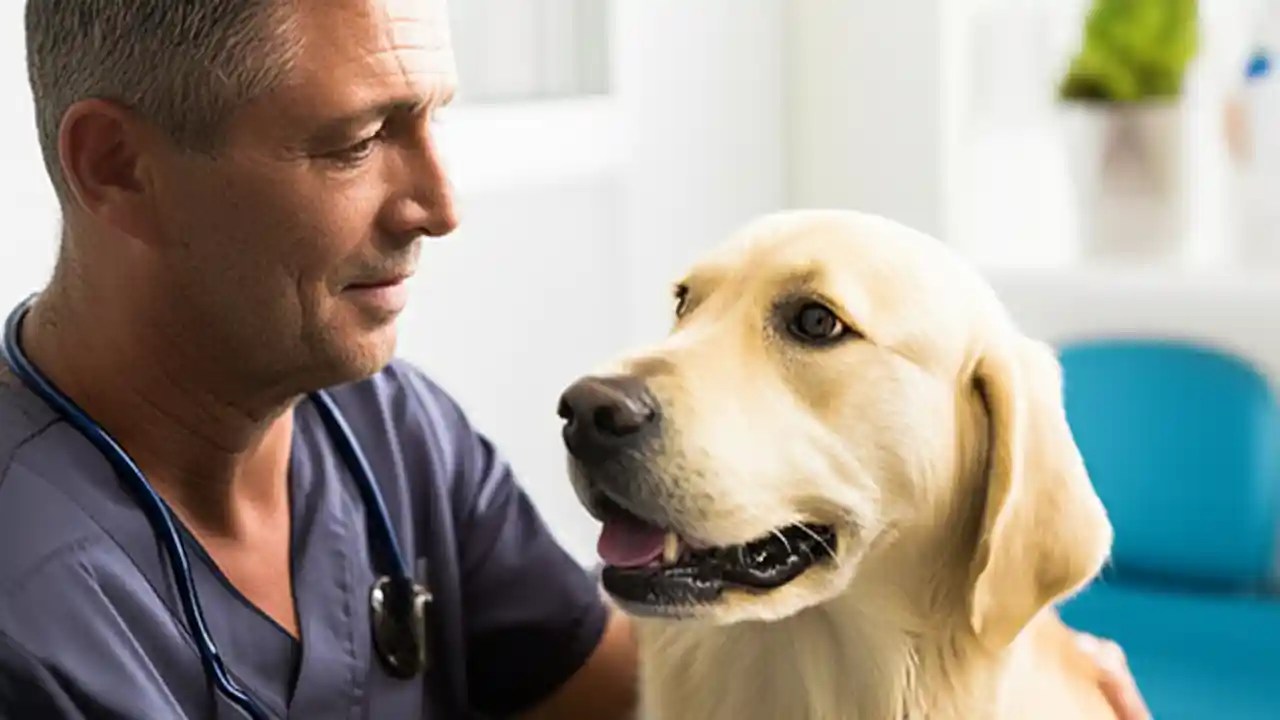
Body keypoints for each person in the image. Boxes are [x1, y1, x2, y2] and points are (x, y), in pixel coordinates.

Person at [0, 0, 1150, 718]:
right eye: (356, 141)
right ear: (117, 169)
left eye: (433, 119)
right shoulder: (32, 615)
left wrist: (1019, 672)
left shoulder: (389, 434)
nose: (441, 205)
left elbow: (634, 693)